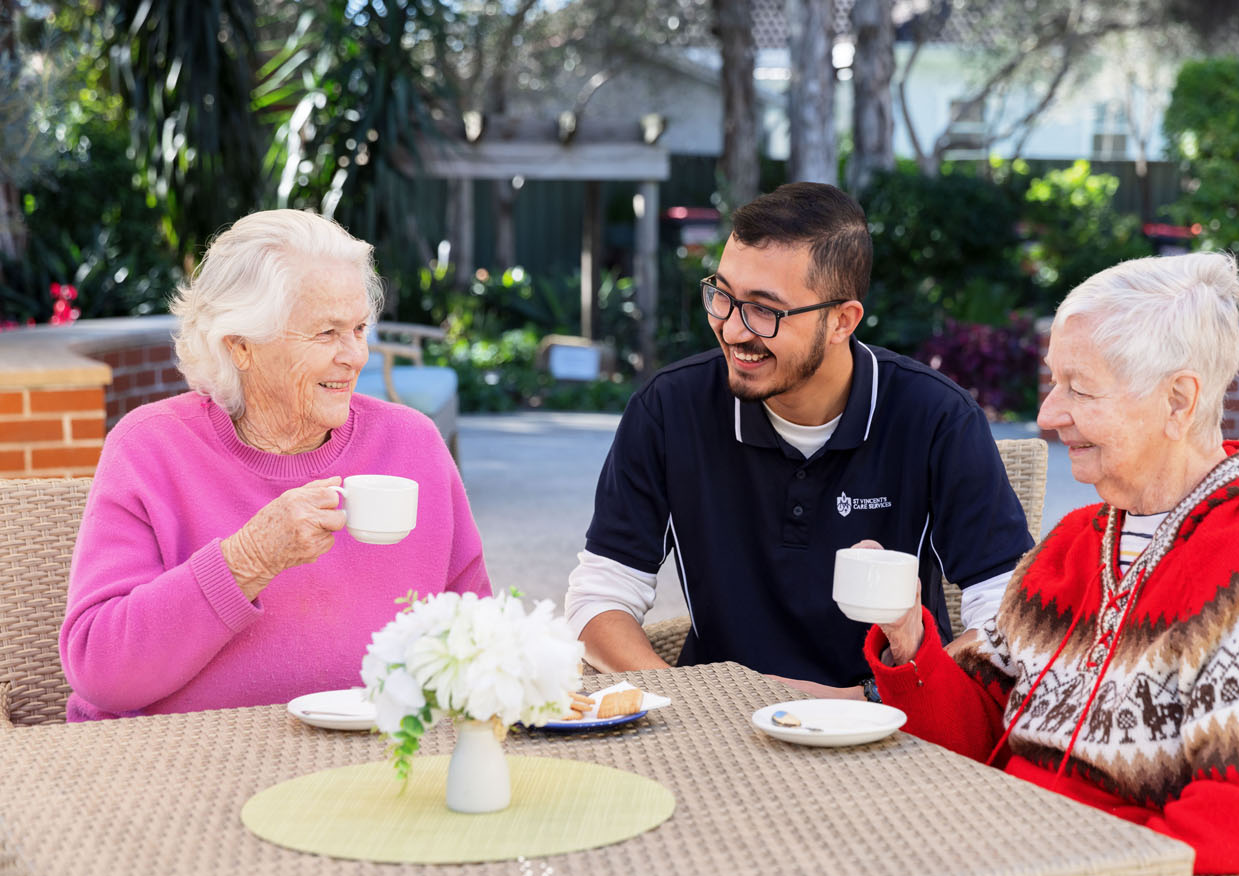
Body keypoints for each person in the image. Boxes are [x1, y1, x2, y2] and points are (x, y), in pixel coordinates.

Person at [864, 253, 1239, 876]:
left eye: (1080, 389)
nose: (1047, 413)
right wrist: (906, 637)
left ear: (1178, 401)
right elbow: (980, 731)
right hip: (1031, 868)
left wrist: (1042, 849)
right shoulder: (1075, 542)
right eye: (1054, 383)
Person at [564, 182, 1034, 698]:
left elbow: (1006, 615)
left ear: (841, 321)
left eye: (764, 310)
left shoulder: (937, 417)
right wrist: (690, 701)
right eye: (721, 296)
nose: (732, 329)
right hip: (719, 726)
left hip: (889, 726)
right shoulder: (667, 409)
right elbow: (599, 597)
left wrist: (865, 700)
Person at [60, 209, 490, 721]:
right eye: (327, 333)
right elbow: (101, 672)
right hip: (174, 774)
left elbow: (478, 637)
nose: (355, 356)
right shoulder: (150, 448)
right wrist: (248, 560)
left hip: (375, 766)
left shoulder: (411, 443)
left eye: (358, 328)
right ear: (240, 346)